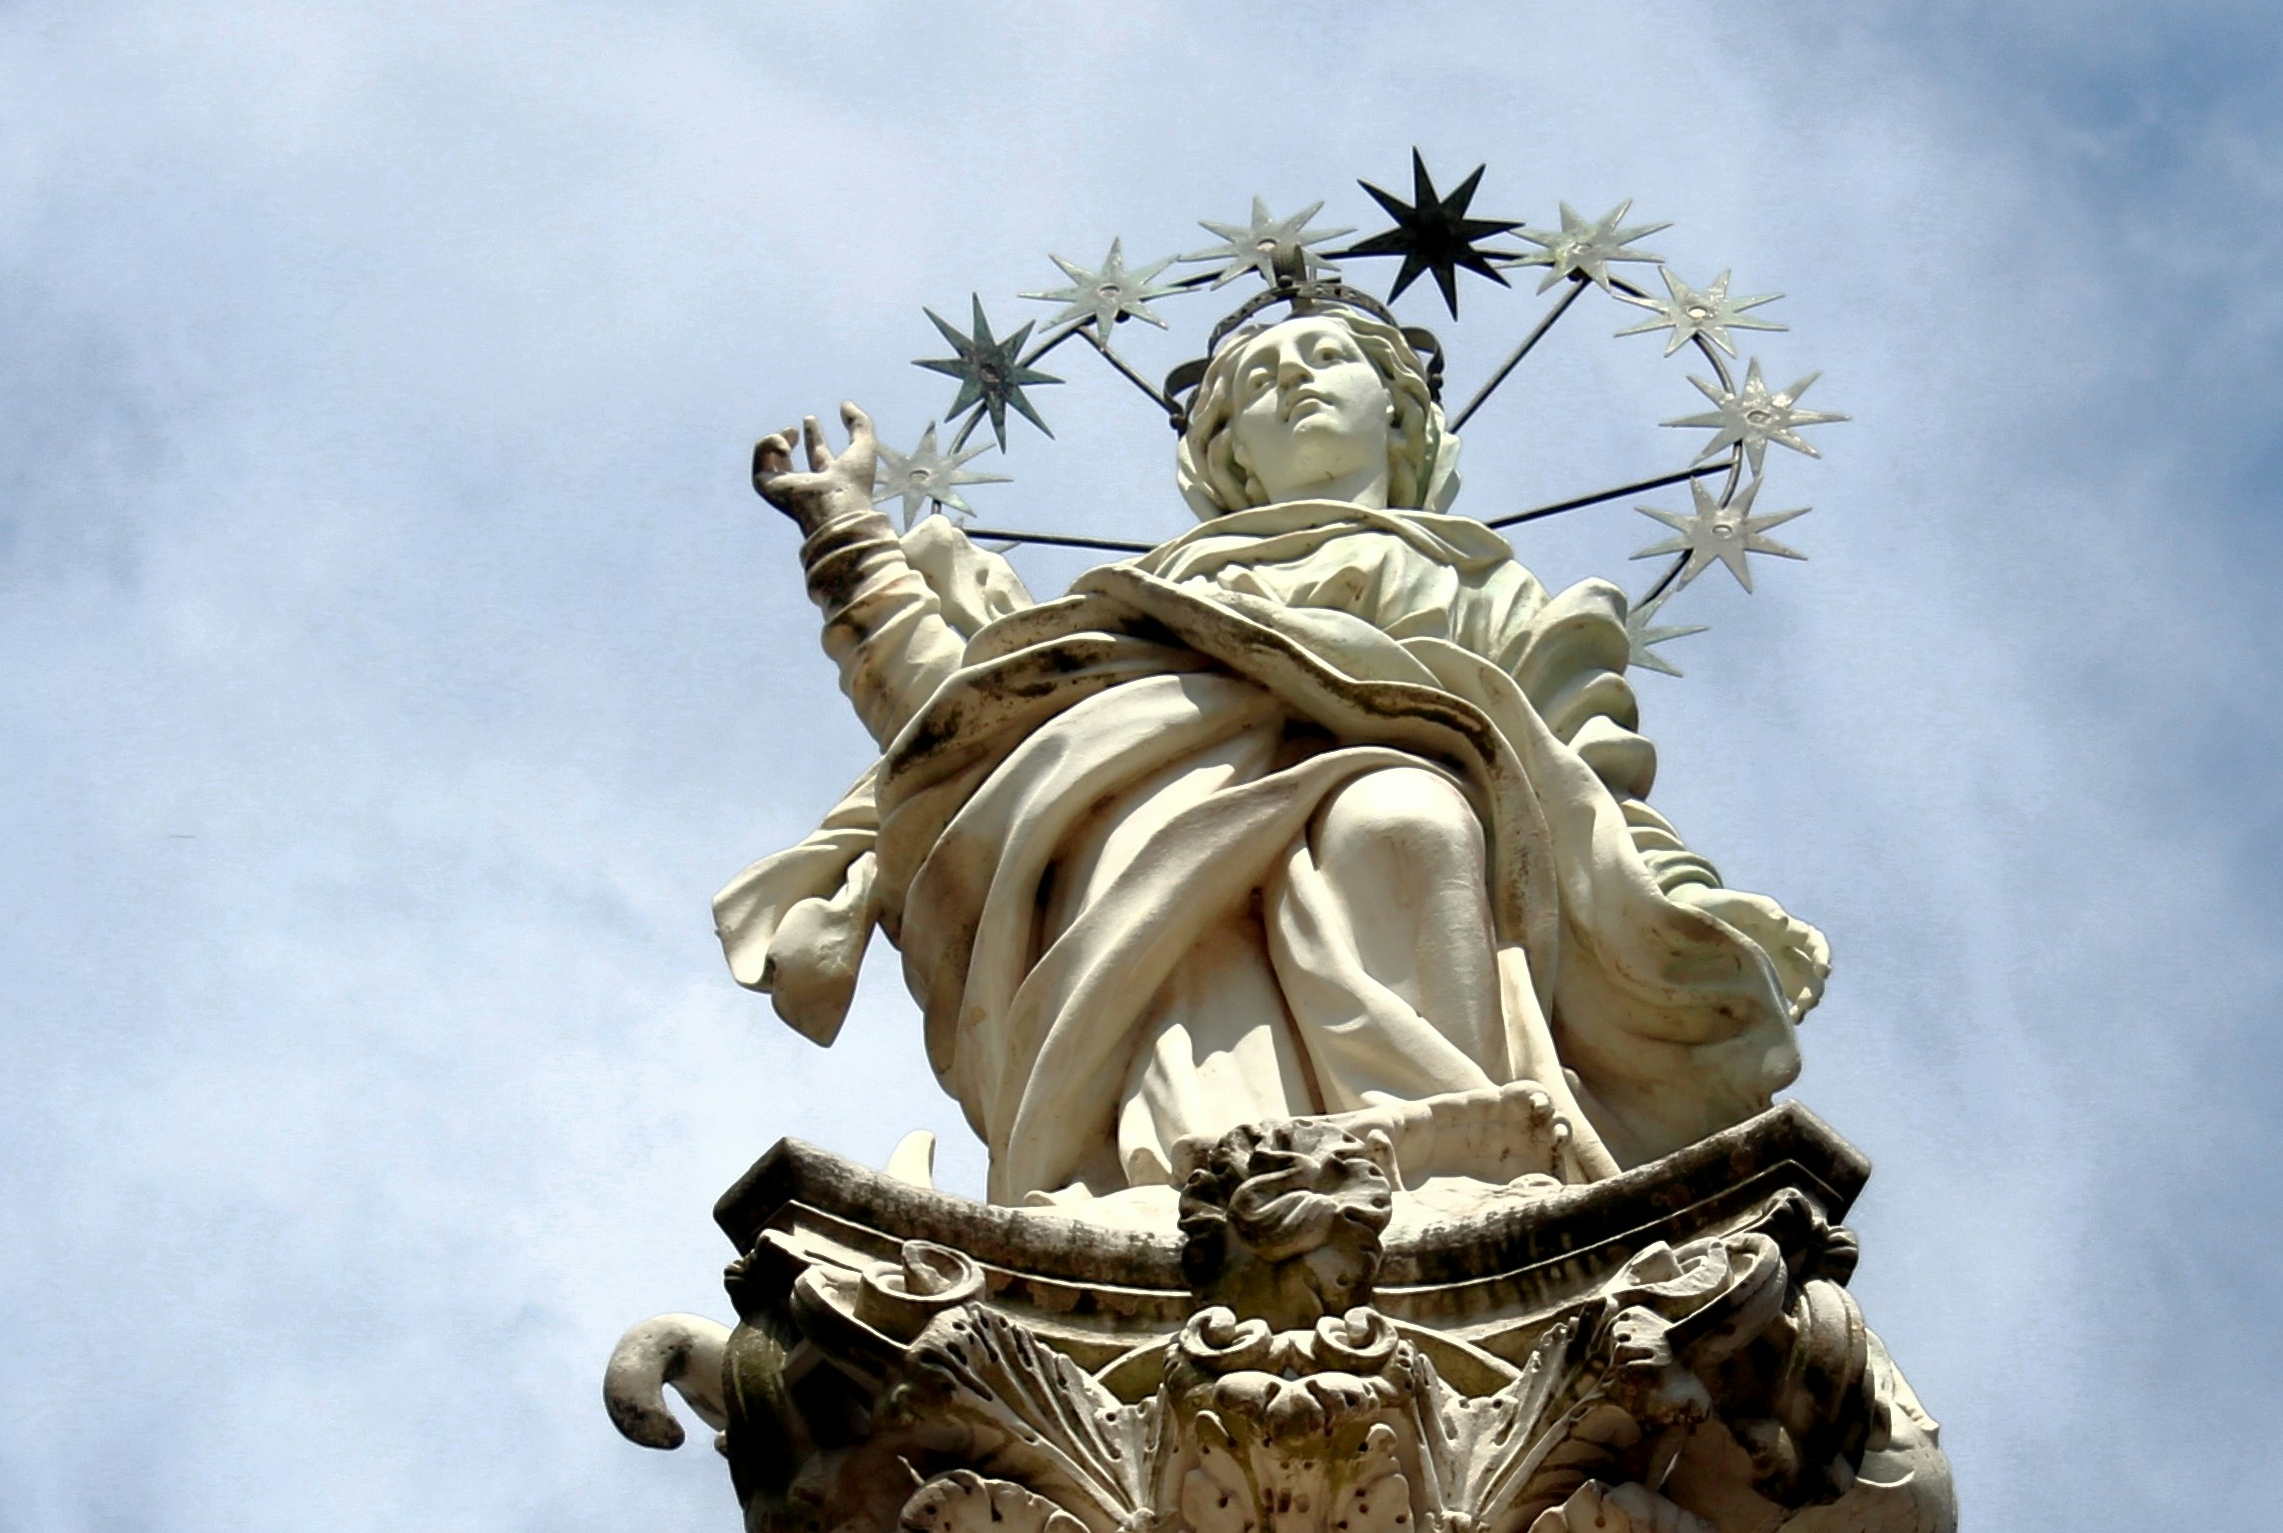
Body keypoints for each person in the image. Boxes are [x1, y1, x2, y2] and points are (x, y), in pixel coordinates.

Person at [716, 275, 1826, 1209]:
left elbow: (1584, 777)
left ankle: (1448, 1157)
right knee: (1165, 865)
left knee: (1404, 816)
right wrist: (850, 544)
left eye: (1326, 359)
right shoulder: (1147, 603)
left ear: (1401, 420)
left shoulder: (1482, 589)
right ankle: (1175, 1182)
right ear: (1229, 456)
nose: (1291, 380)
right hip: (1144, 839)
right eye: (1253, 382)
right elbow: (967, 729)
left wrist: (1694, 914)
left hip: (1414, 831)